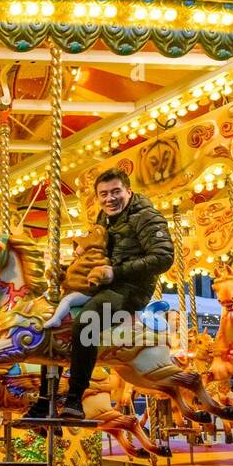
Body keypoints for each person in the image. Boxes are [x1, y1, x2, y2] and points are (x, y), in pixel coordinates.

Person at [54, 169, 175, 421]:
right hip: (104, 282)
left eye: (116, 192)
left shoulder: (147, 217)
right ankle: (47, 397)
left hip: (131, 288)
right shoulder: (104, 217)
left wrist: (115, 272)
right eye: (104, 194)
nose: (110, 198)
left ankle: (75, 397)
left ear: (128, 192)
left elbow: (163, 257)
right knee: (51, 311)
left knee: (87, 320)